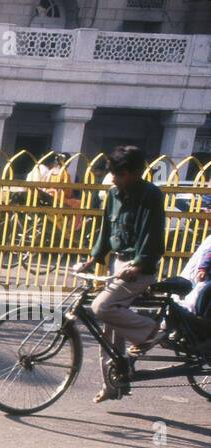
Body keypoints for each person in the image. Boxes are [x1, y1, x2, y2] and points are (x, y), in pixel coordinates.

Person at [71, 145, 166, 403]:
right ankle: (114, 385)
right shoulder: (113, 194)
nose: (114, 178)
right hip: (117, 266)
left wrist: (138, 265)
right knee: (109, 332)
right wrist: (92, 258)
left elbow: (152, 237)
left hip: (139, 270)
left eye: (119, 173)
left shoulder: (150, 195)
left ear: (136, 172)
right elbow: (105, 231)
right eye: (113, 172)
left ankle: (152, 331)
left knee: (102, 307)